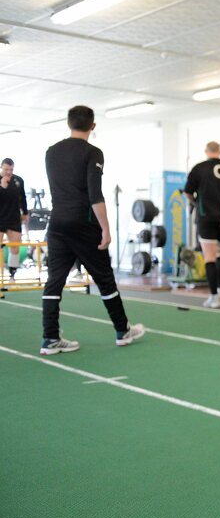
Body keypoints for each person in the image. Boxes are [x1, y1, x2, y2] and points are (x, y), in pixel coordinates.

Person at [40, 106, 144, 354]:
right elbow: (94, 194)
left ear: (68, 124)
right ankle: (122, 330)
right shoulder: (92, 152)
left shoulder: (51, 152)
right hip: (83, 223)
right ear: (93, 126)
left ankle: (50, 338)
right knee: (104, 278)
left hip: (57, 223)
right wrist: (106, 229)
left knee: (54, 280)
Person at [184, 141, 220, 308]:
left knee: (210, 257)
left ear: (206, 151)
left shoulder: (199, 168)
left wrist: (196, 202)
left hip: (205, 217)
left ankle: (214, 297)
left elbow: (188, 192)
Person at [0, 157, 29, 281]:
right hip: (0, 218)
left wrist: (25, 213)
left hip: (14, 218)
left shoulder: (18, 180)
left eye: (11, 169)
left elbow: (23, 197)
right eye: (6, 169)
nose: (8, 172)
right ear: (1, 168)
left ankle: (12, 275)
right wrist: (2, 187)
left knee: (15, 247)